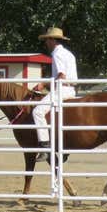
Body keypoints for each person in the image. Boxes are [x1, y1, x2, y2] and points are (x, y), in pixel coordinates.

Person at [33, 27, 78, 163]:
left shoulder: (57, 54)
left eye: (47, 39)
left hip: (62, 89)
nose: (46, 42)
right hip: (71, 90)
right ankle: (63, 146)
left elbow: (61, 75)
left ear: (52, 40)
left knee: (37, 112)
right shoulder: (68, 53)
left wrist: (44, 85)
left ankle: (45, 146)